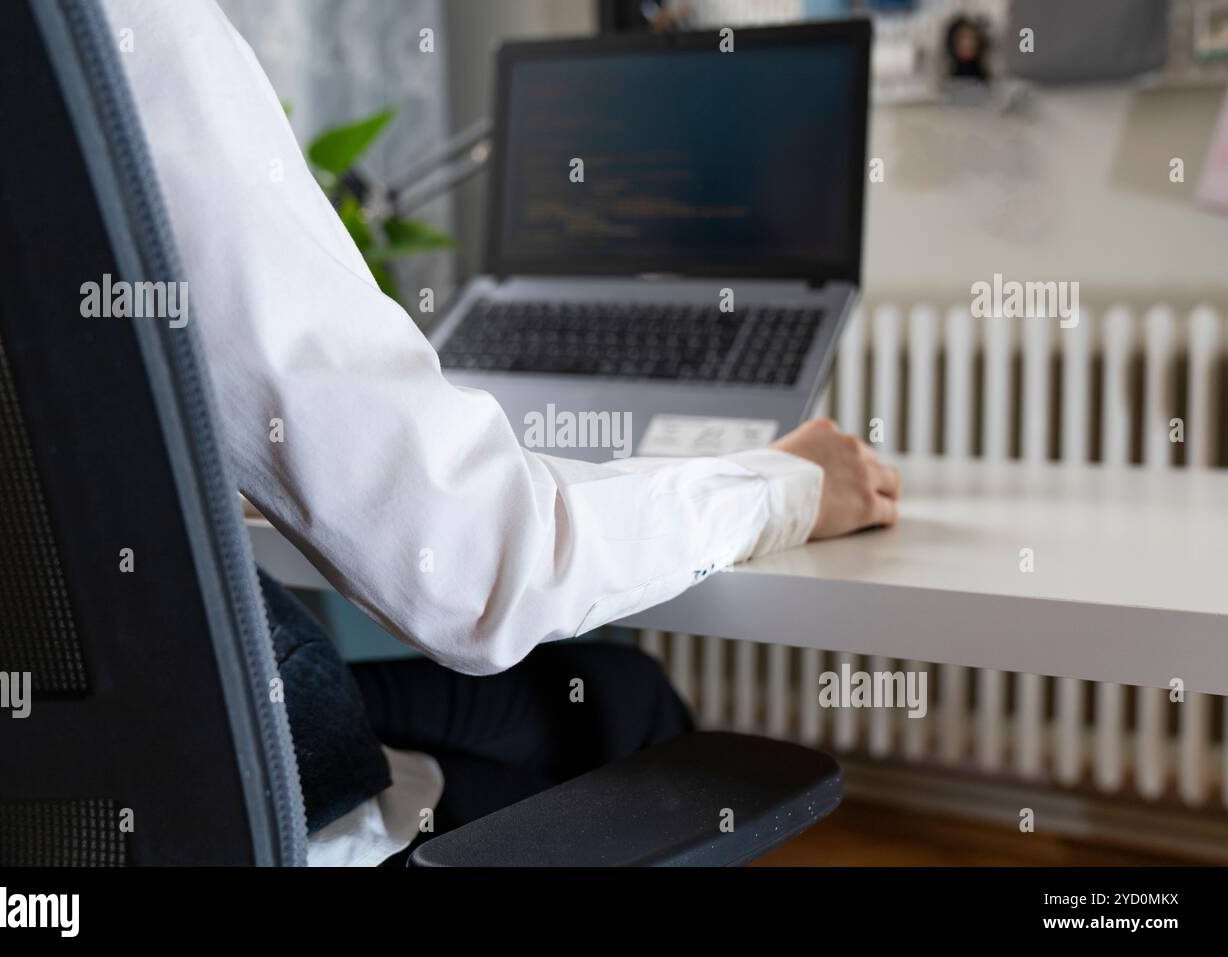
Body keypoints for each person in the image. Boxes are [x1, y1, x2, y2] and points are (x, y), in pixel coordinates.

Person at [106, 0, 900, 865]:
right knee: (623, 710)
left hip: (40, 764)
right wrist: (786, 488)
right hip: (202, 797)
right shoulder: (136, 37)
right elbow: (478, 569)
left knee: (605, 686)